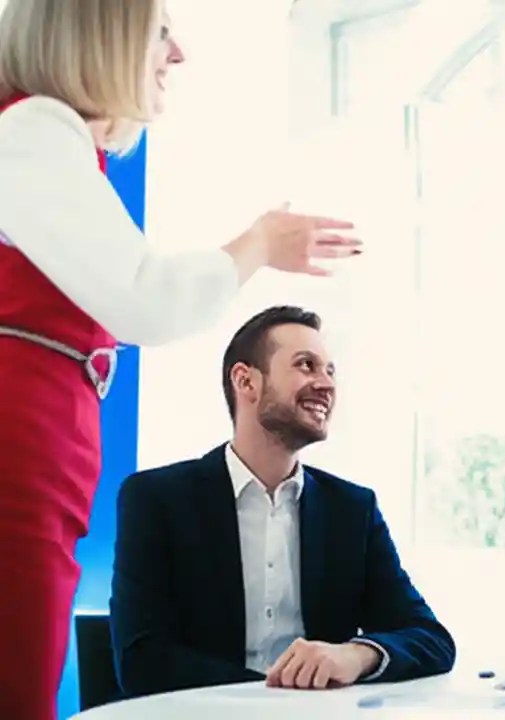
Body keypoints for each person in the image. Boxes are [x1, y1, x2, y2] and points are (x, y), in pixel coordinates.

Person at [0, 0, 362, 716]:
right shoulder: (34, 132)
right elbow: (146, 299)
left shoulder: (48, 143)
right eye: (160, 34)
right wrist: (256, 245)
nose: (177, 55)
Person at [110, 306, 455, 697]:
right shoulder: (155, 500)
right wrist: (276, 694)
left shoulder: (352, 509)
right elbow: (143, 662)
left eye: (330, 371)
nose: (326, 384)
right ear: (246, 381)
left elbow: (431, 638)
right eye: (306, 365)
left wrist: (355, 656)